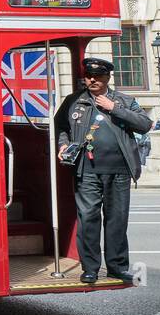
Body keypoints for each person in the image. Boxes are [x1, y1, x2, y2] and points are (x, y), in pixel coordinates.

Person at [53, 57, 152, 284]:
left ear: (108, 77)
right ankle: (90, 268)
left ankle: (117, 266)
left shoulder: (124, 101)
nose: (92, 80)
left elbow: (145, 124)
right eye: (89, 76)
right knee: (88, 219)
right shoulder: (73, 101)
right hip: (85, 170)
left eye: (98, 76)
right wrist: (62, 144)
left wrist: (113, 108)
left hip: (119, 171)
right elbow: (61, 126)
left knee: (116, 220)